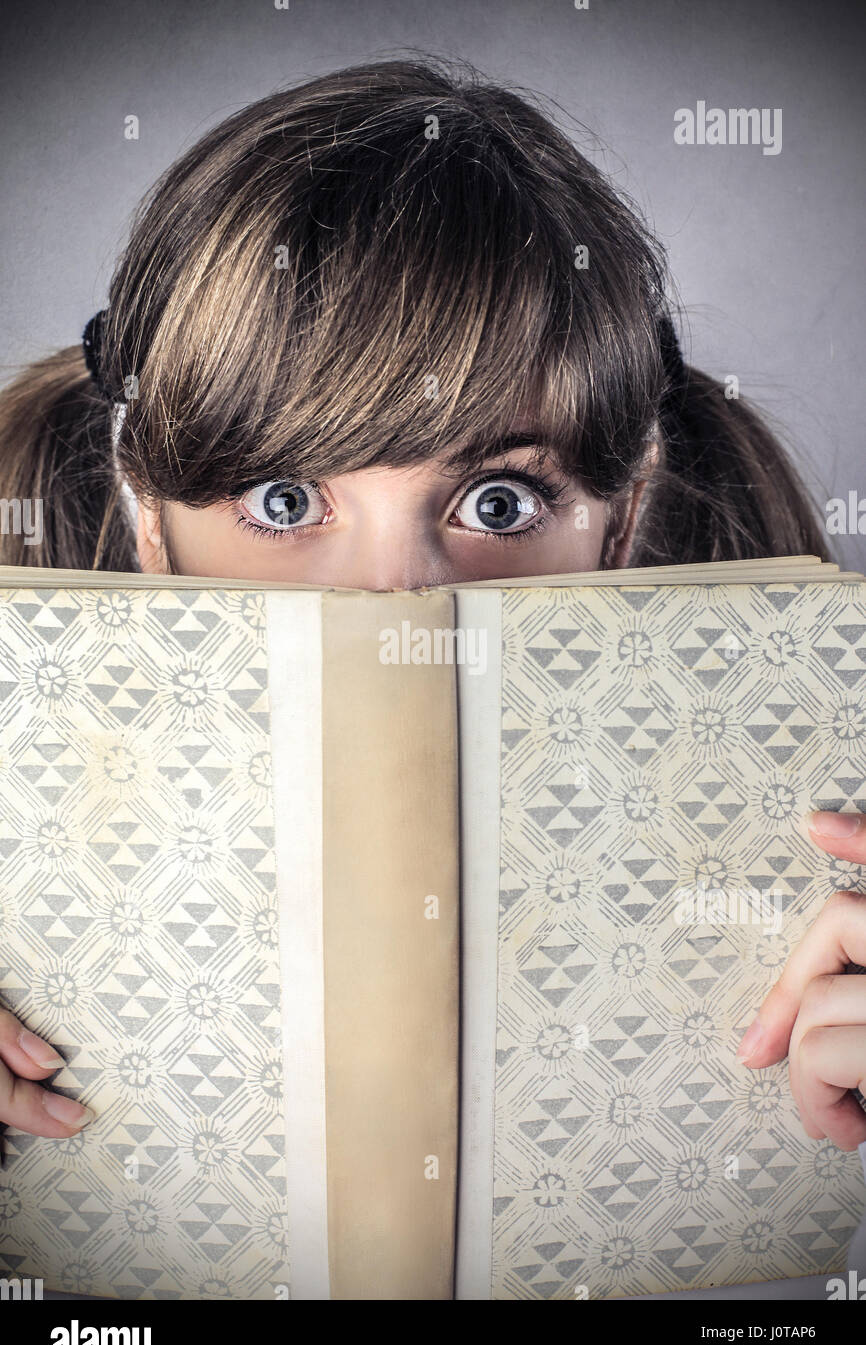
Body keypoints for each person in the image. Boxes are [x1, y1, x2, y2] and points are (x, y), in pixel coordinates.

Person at [0, 58, 863, 1157]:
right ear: (150, 519)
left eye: (495, 502)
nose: (392, 602)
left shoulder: (826, 841)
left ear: (620, 513)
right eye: (284, 498)